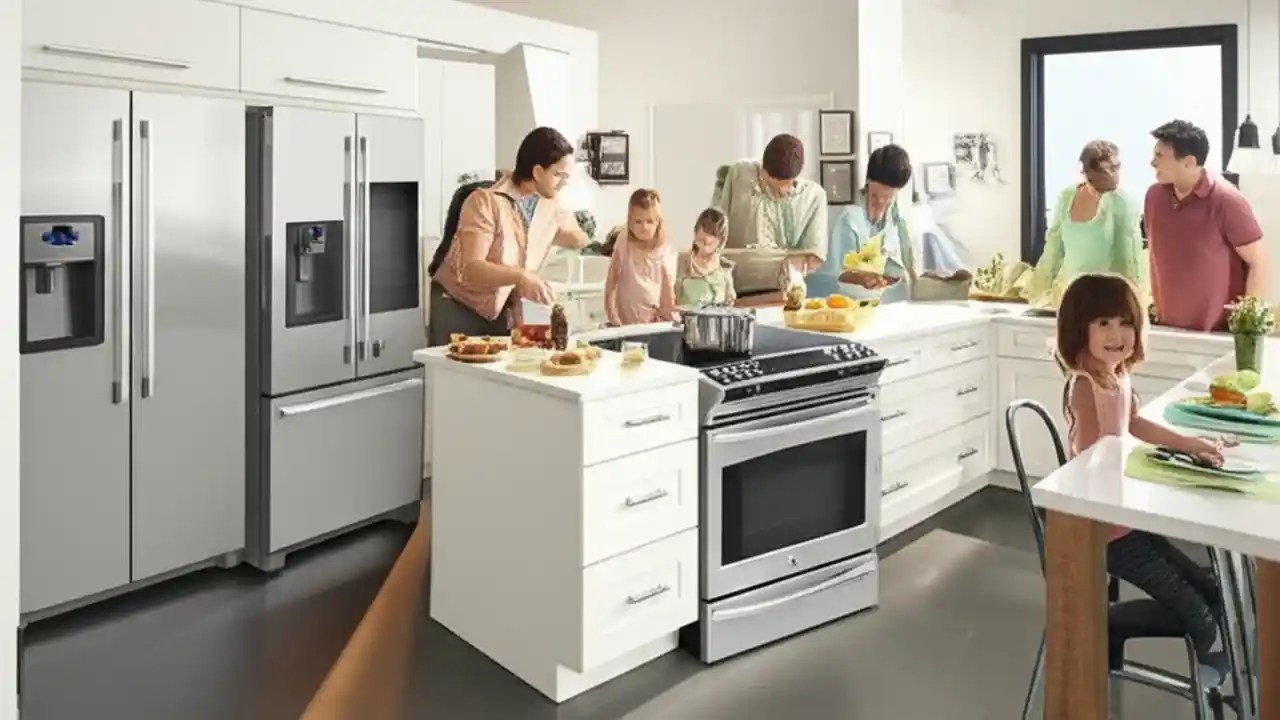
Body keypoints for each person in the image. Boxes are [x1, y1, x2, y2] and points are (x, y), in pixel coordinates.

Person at [1057, 273, 1226, 663]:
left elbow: (1133, 423)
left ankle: (1113, 625)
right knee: (1202, 618)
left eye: (1126, 322)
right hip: (1104, 528)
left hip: (1126, 518)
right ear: (1079, 328)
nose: (1117, 334)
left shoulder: (1117, 375)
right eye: (1103, 323)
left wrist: (1189, 444)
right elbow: (1090, 456)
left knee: (1211, 593)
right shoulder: (1084, 385)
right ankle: (1109, 625)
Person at [429, 127, 589, 345]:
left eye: (566, 176)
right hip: (459, 306)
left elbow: (579, 239)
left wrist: (558, 228)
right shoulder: (484, 202)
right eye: (558, 175)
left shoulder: (548, 204)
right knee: (458, 367)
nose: (564, 182)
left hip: (501, 311)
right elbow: (471, 268)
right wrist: (521, 277)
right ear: (537, 172)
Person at [1145, 119, 1270, 331]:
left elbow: (1260, 263)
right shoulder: (1154, 197)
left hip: (1217, 333)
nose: (1152, 163)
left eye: (1160, 156)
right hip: (1166, 328)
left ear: (1189, 162)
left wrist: (1246, 325)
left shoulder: (1227, 201)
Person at [1028, 140, 1146, 308]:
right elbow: (1053, 250)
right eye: (1105, 171)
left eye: (1116, 168)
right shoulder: (1067, 197)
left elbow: (1130, 262)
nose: (1113, 175)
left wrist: (1136, 306)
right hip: (1071, 297)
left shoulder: (1122, 203)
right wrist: (1036, 295)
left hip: (1108, 301)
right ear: (1086, 172)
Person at [711, 134, 829, 296]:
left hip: (782, 290)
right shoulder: (739, 174)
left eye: (784, 187)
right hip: (731, 286)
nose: (779, 191)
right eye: (769, 184)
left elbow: (815, 256)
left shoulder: (813, 197)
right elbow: (714, 228)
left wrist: (789, 272)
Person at [806, 144, 916, 303]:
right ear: (868, 182)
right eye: (874, 195)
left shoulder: (895, 213)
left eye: (887, 197)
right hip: (833, 295)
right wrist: (865, 278)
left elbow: (903, 254)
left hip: (873, 296)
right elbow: (839, 271)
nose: (880, 202)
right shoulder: (849, 216)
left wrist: (908, 275)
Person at [604, 189, 677, 326]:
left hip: (653, 318)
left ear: (658, 222)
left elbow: (667, 294)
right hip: (625, 318)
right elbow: (612, 277)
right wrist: (610, 310)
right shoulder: (624, 240)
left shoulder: (664, 250)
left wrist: (669, 318)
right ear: (630, 222)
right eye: (638, 221)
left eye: (649, 221)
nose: (644, 227)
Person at [675, 208, 736, 308]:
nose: (707, 237)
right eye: (701, 239)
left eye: (713, 233)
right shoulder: (679, 263)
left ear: (721, 241)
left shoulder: (725, 268)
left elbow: (730, 303)